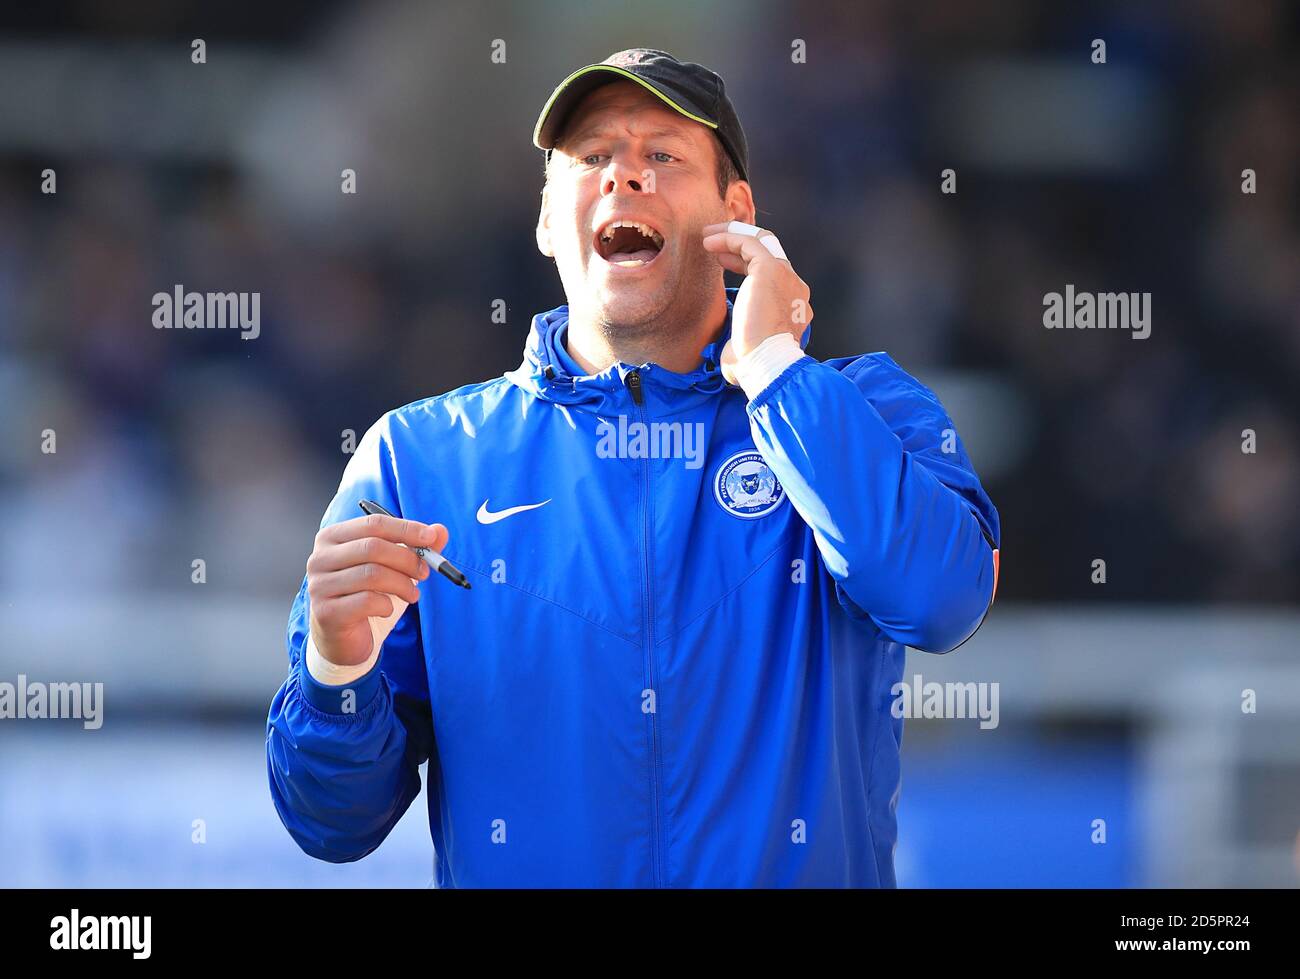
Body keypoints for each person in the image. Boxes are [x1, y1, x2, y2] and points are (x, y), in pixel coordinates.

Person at [266, 48, 1000, 887]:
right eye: (591, 157)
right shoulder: (419, 458)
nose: (624, 174)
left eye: (663, 154)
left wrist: (775, 370)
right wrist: (337, 668)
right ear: (548, 220)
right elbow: (331, 822)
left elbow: (943, 600)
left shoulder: (863, 408)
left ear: (738, 212)